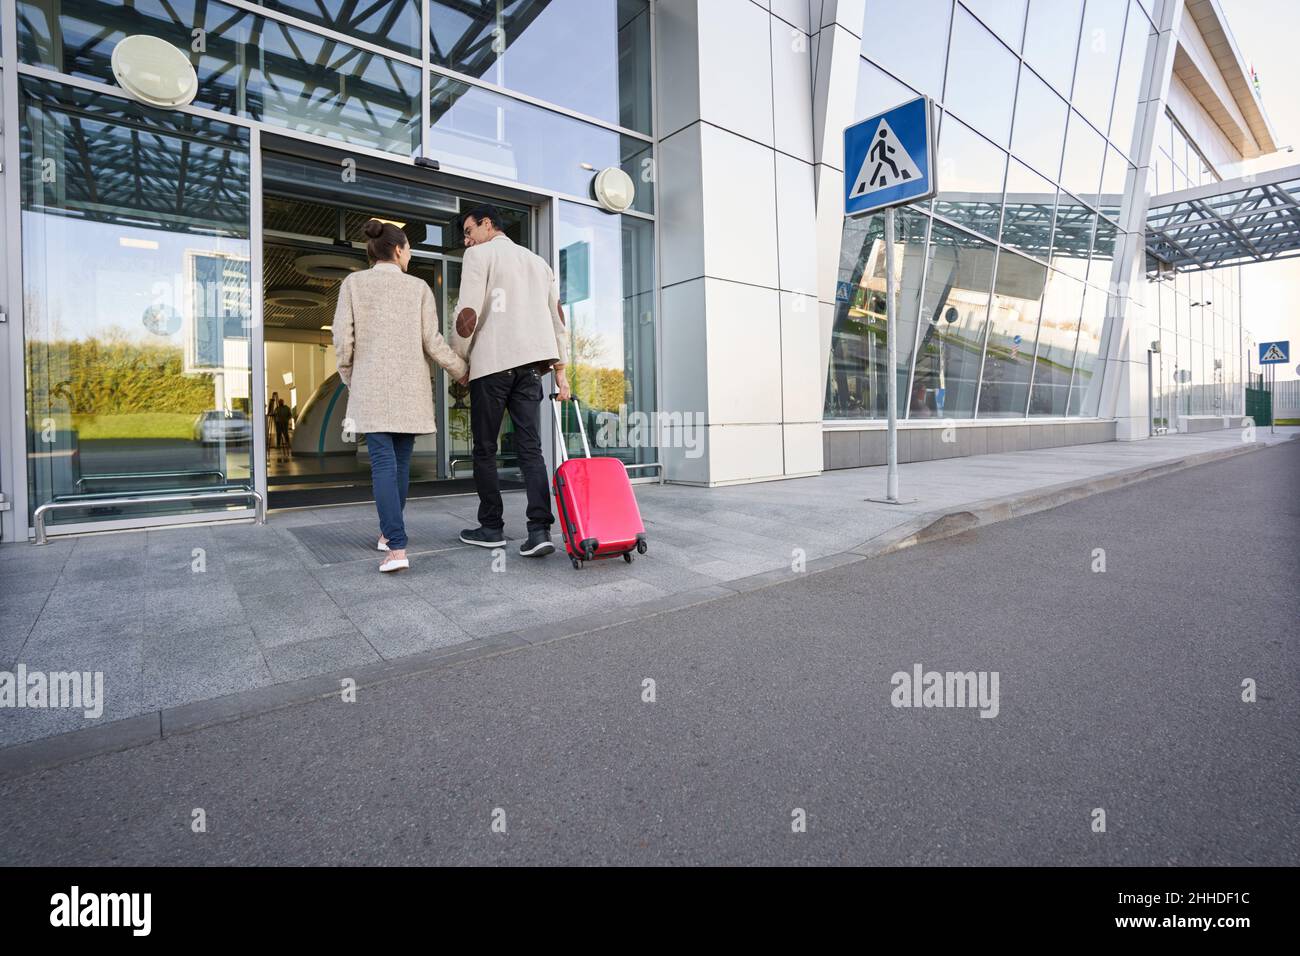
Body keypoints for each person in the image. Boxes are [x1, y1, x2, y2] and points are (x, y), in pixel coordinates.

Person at [333, 218, 468, 572]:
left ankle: (396, 546)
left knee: (383, 463)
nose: (410, 255)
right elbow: (432, 342)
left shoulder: (353, 284)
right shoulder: (419, 288)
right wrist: (461, 370)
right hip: (411, 391)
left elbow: (342, 341)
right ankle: (389, 536)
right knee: (400, 463)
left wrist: (351, 377)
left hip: (372, 389)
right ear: (397, 250)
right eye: (408, 249)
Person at [452, 204, 569, 557]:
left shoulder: (479, 256)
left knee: (485, 449)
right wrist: (561, 373)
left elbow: (467, 314)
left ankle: (491, 528)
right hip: (532, 367)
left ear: (488, 224)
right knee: (530, 449)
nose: (468, 241)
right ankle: (539, 530)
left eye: (469, 232)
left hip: (492, 365)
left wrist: (460, 360)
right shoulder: (539, 263)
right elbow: (557, 318)